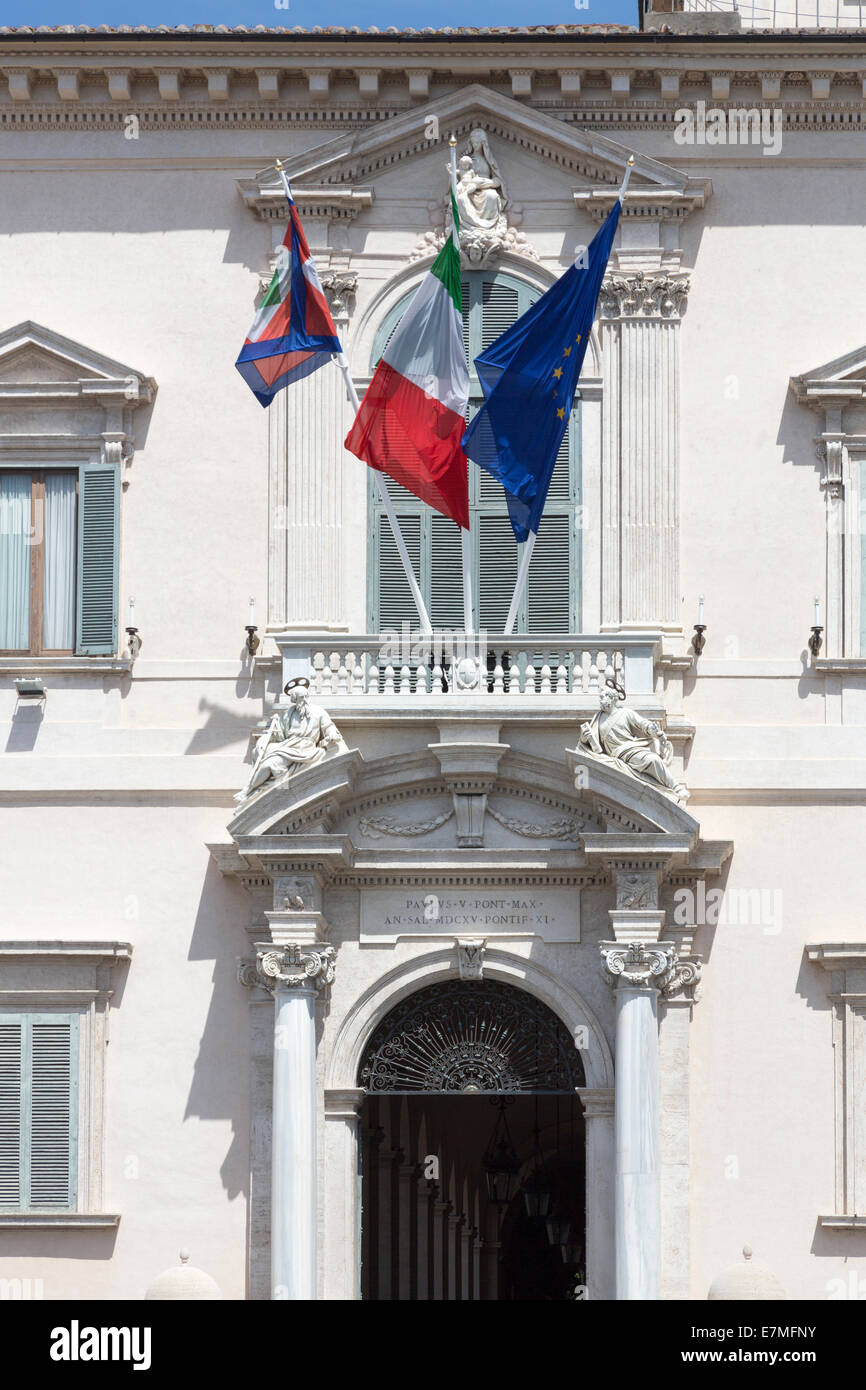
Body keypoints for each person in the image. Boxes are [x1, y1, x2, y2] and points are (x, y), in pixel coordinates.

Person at [234, 677, 347, 803]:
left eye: (305, 697)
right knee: (260, 752)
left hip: (305, 747)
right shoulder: (288, 714)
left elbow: (328, 727)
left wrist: (332, 734)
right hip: (288, 745)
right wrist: (264, 739)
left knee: (269, 764)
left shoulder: (318, 711)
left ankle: (248, 790)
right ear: (295, 699)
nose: (303, 701)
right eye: (299, 698)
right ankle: (252, 790)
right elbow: (278, 735)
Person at [578, 680, 689, 803]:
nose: (601, 700)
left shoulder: (625, 713)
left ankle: (676, 787)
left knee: (653, 760)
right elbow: (589, 742)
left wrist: (653, 730)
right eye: (600, 697)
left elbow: (642, 724)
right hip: (615, 754)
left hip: (630, 749)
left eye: (603, 697)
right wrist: (584, 737)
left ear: (612, 698)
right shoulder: (598, 718)